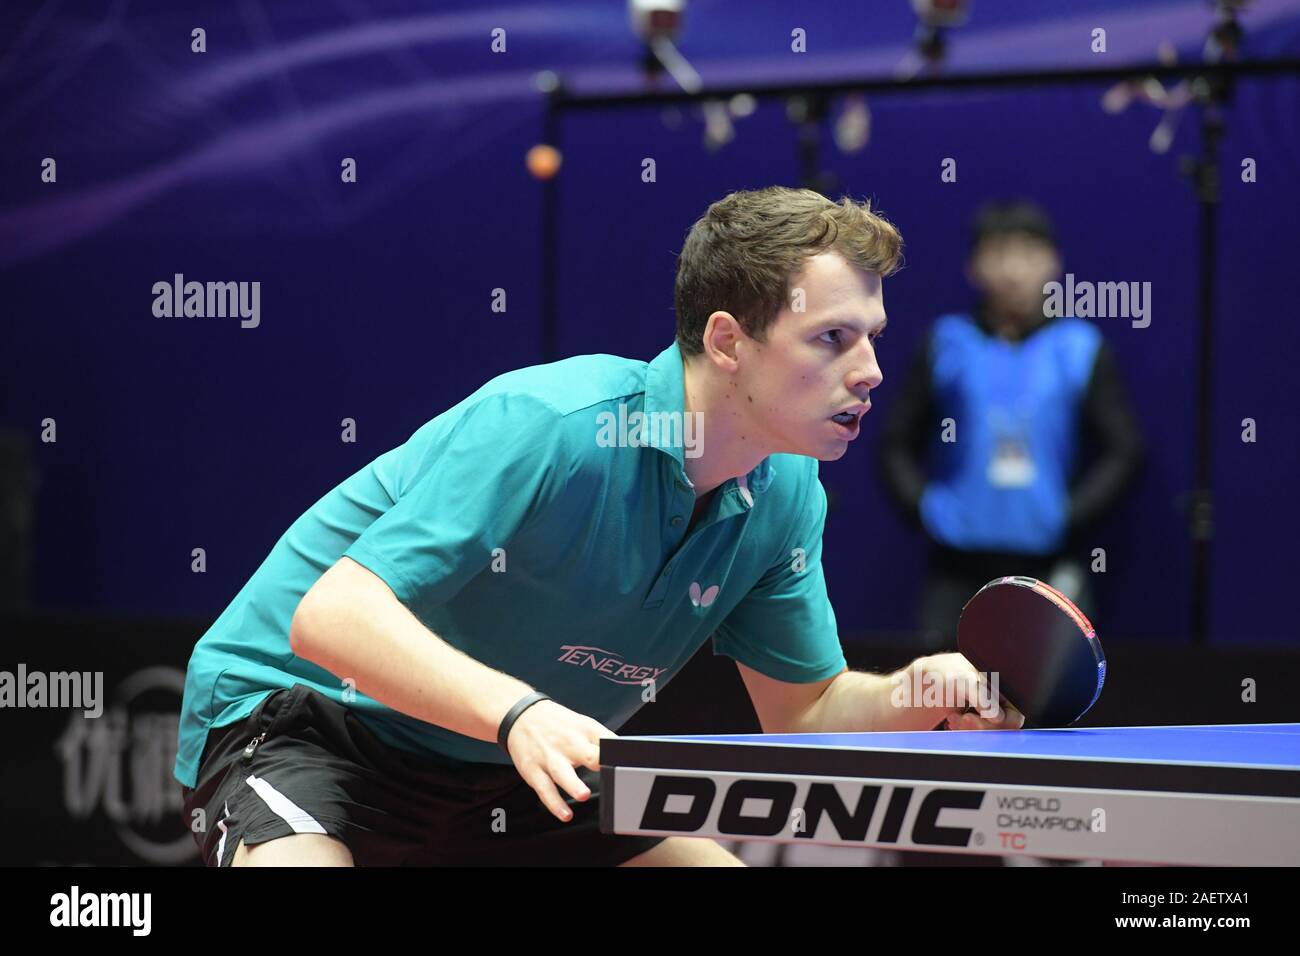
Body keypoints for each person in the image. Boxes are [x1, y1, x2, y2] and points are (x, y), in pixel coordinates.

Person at [175, 186, 1022, 869]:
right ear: (728, 341)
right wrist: (517, 713)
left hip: (511, 761)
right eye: (831, 338)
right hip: (308, 720)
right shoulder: (553, 426)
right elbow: (331, 618)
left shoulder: (787, 490)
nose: (870, 371)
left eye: (872, 337)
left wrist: (914, 692)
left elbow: (804, 712)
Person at [879, 200, 1144, 650]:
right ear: (973, 266)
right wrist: (926, 509)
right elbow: (894, 443)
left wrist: (1068, 516)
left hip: (1051, 566)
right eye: (998, 252)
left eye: (1027, 252)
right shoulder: (947, 342)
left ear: (1053, 263)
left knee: (1053, 699)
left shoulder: (1079, 346)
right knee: (943, 693)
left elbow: (1126, 449)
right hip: (955, 568)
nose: (1012, 269)